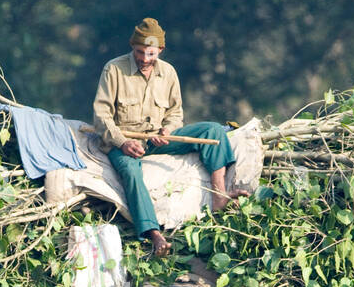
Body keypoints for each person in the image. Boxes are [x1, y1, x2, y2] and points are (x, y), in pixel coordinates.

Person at [92, 17, 246, 256]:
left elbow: (175, 114)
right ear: (132, 46)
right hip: (121, 143)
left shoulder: (169, 73)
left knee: (213, 131)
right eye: (140, 52)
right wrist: (123, 142)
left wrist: (168, 131)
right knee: (132, 171)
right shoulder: (113, 69)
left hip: (157, 141)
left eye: (150, 54)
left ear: (161, 50)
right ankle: (153, 233)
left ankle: (219, 196)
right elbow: (101, 115)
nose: (144, 59)